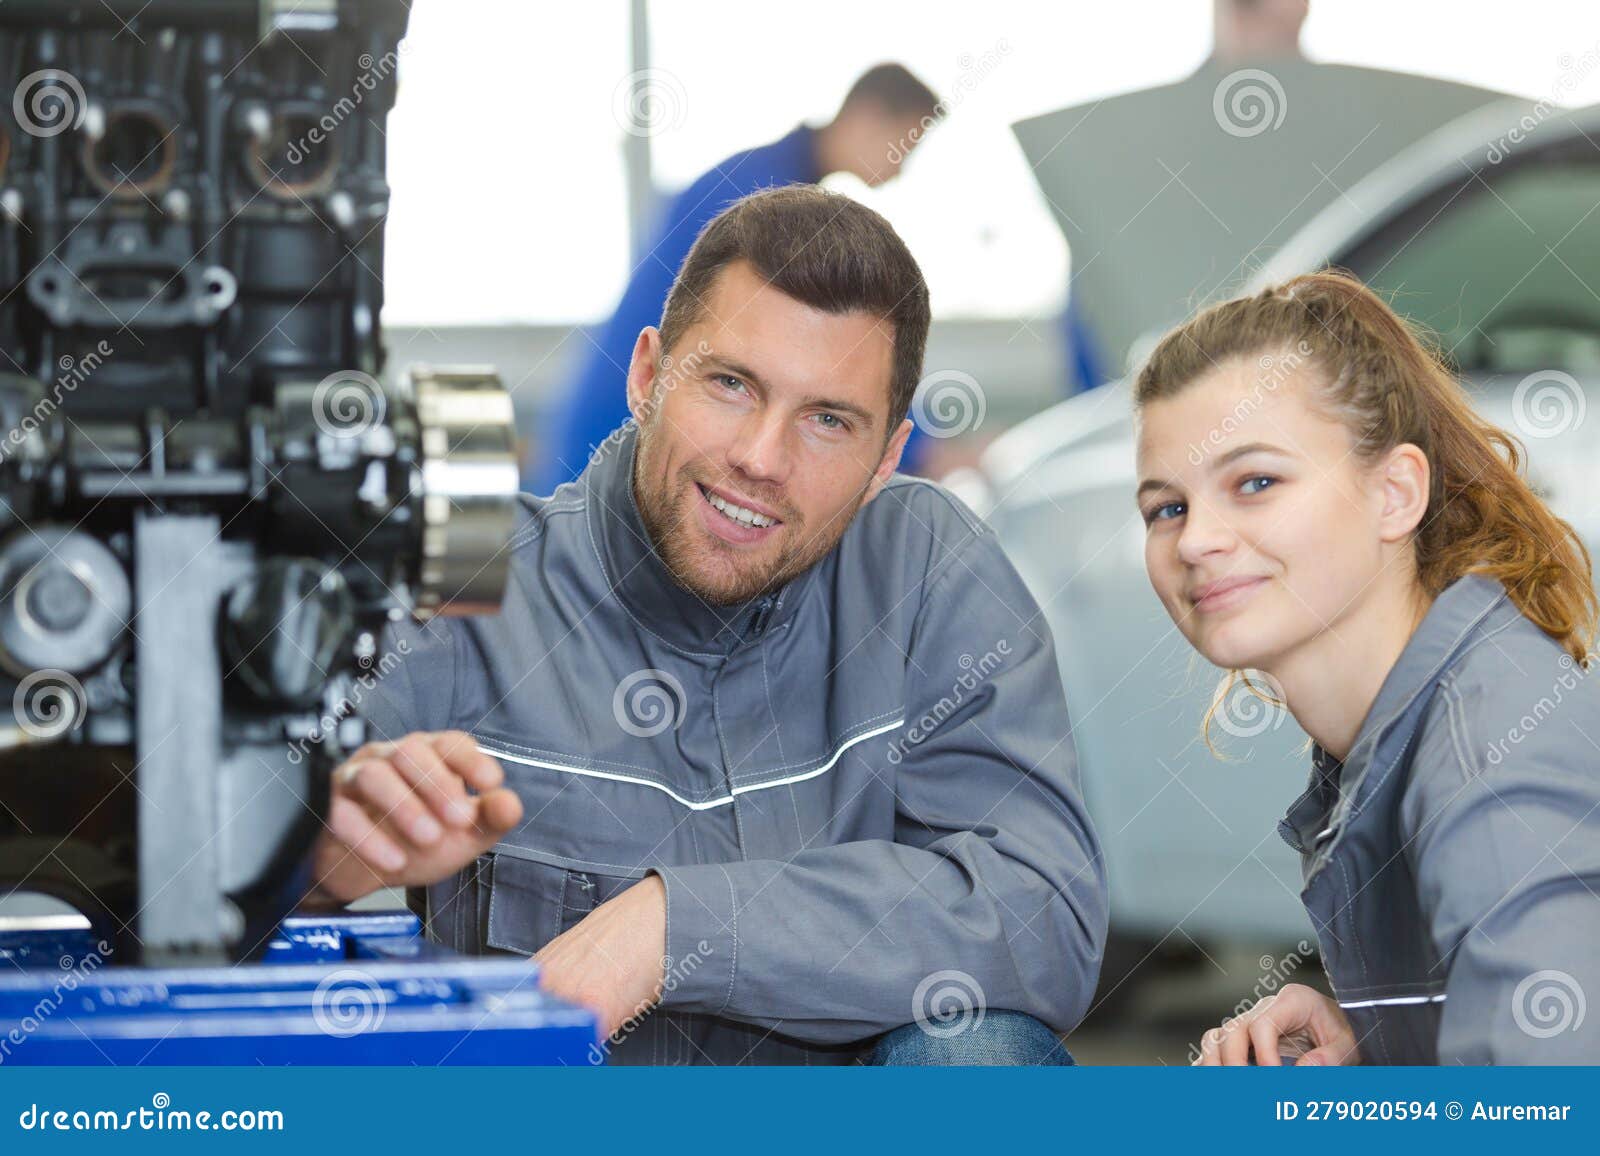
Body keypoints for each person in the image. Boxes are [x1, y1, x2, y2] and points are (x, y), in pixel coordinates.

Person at [305, 186, 1107, 1065]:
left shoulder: (926, 570)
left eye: (828, 421)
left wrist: (668, 928)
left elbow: (1041, 914)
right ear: (648, 375)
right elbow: (168, 900)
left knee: (978, 1054)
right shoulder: (473, 572)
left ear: (885, 459)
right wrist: (317, 864)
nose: (762, 460)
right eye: (731, 384)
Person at [1134, 270, 1600, 1064]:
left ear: (1395, 493)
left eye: (1255, 482)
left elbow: (1545, 1117)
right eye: (1166, 508)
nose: (1195, 540)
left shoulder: (1490, 741)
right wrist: (1383, 1043)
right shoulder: (1403, 731)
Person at [534, 64, 942, 494]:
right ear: (868, 118)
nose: (900, 168)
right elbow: (825, 359)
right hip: (624, 441)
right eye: (907, 145)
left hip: (621, 431)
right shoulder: (768, 201)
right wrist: (920, 449)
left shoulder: (767, 179)